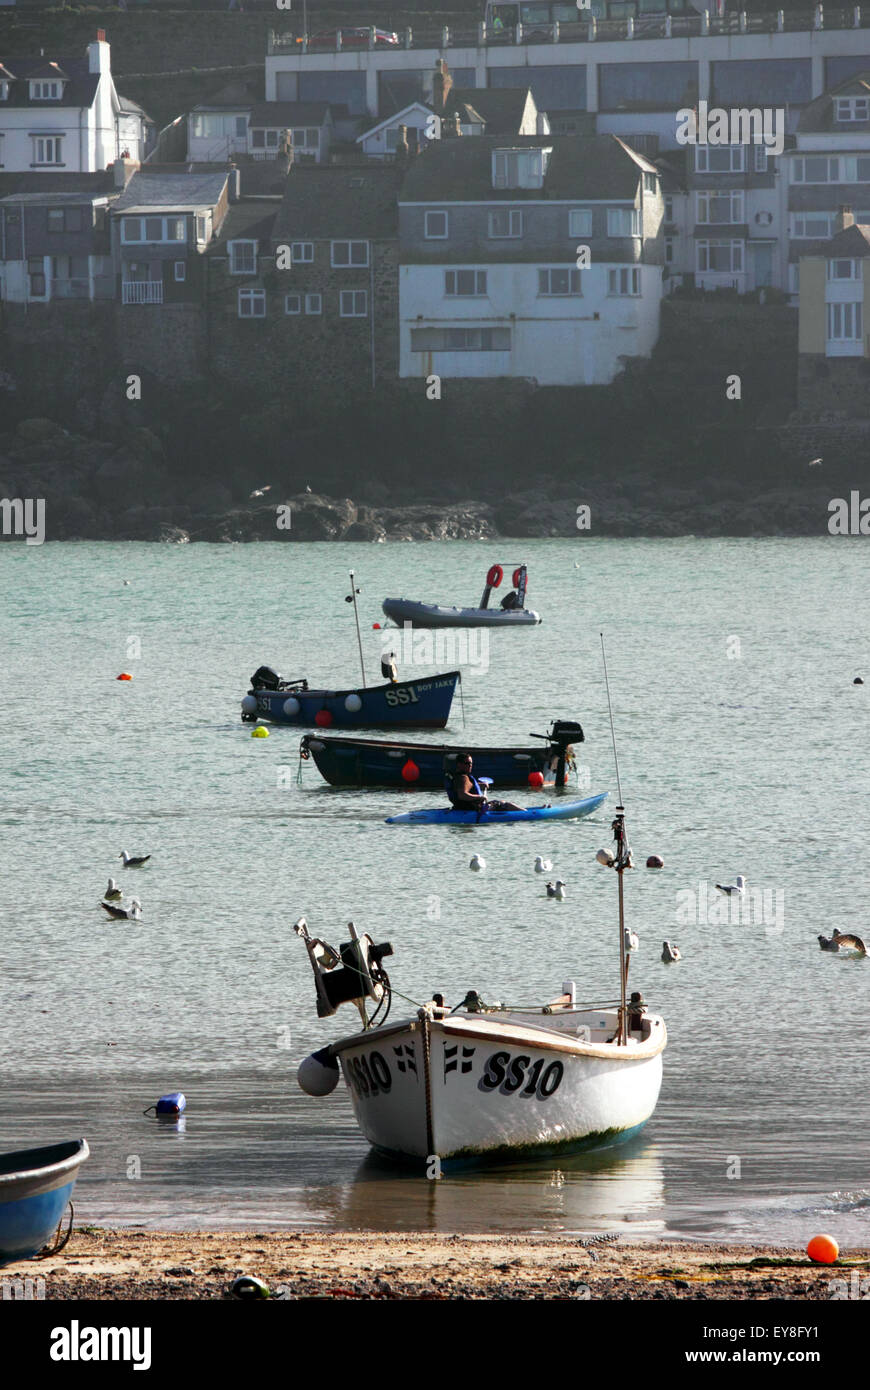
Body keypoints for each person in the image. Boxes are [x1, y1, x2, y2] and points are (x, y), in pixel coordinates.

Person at [446, 754, 521, 813]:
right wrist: (479, 797)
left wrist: (480, 785)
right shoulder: (463, 778)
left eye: (471, 763)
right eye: (467, 763)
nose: (470, 766)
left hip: (461, 808)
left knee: (498, 802)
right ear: (459, 764)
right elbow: (462, 795)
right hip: (476, 809)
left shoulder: (456, 777)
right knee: (505, 804)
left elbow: (466, 786)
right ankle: (526, 813)